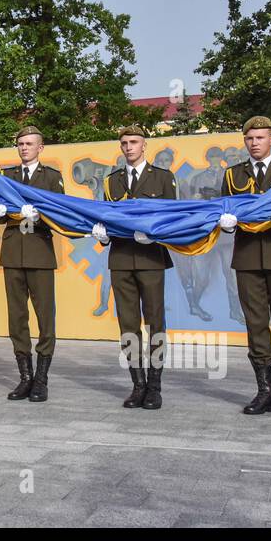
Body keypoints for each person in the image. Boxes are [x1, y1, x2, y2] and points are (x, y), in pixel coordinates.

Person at [219, 117, 271, 418]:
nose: (254, 143)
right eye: (249, 139)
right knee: (256, 325)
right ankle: (264, 392)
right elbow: (224, 213)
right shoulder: (233, 174)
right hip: (247, 258)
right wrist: (227, 226)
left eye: (260, 138)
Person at [92, 126, 177, 409]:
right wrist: (103, 235)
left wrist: (155, 233)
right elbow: (107, 217)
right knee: (128, 326)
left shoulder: (163, 178)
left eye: (134, 142)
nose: (128, 147)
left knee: (155, 323)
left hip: (151, 258)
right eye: (124, 143)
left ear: (145, 146)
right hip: (121, 260)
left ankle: (155, 386)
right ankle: (137, 384)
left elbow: (173, 218)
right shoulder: (111, 182)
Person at [0, 126, 64, 402]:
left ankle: (41, 380)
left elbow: (59, 213)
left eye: (29, 143)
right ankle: (25, 378)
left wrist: (40, 215)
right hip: (12, 253)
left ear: (40, 148)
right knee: (17, 318)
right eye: (20, 144)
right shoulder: (7, 176)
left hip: (40, 254)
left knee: (45, 317)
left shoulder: (51, 177)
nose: (24, 148)